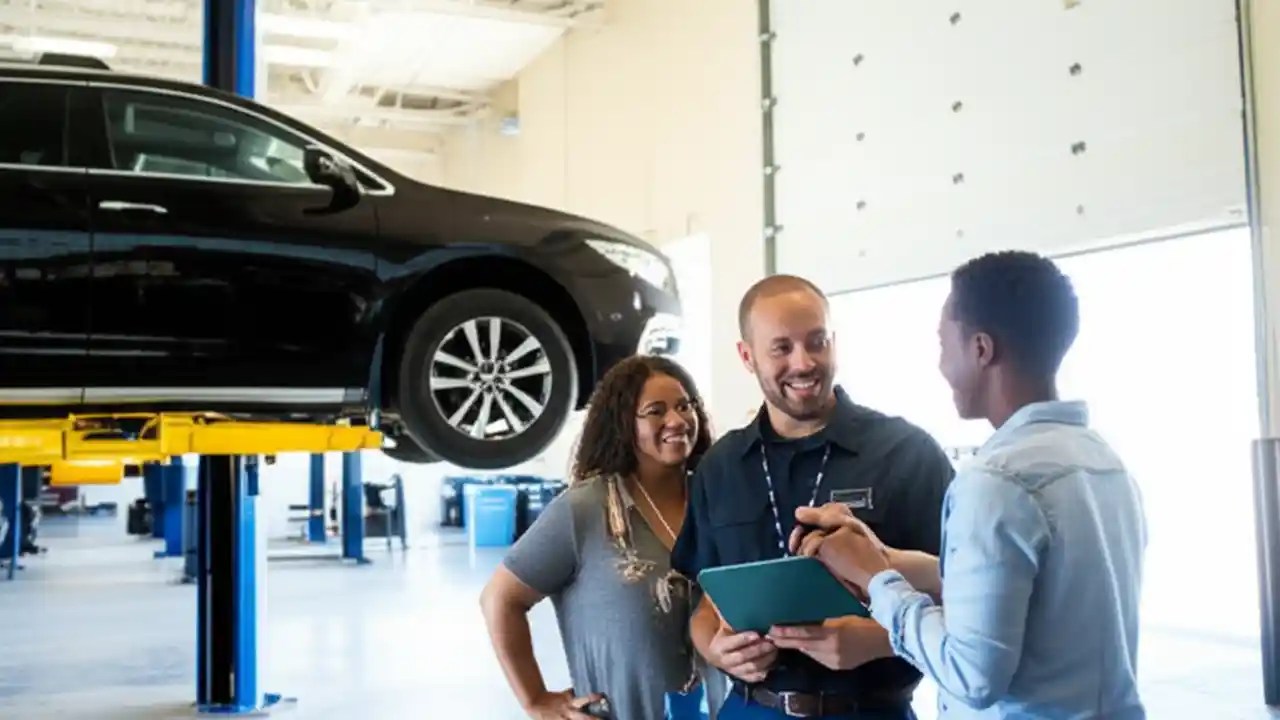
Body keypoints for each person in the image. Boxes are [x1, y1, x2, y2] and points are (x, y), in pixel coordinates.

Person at [791, 251, 1148, 719]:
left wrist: (877, 581)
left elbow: (971, 675)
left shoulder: (996, 483)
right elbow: (1021, 588)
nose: (941, 364)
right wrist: (879, 554)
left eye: (944, 344)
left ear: (981, 349)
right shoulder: (1104, 462)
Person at [671, 274, 955, 719]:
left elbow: (966, 595)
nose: (804, 363)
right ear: (747, 356)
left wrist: (879, 639)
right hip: (752, 708)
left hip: (871, 709)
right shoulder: (720, 467)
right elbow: (703, 603)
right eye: (781, 348)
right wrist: (715, 648)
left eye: (817, 342)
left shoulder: (907, 453)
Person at [480, 354, 714, 720]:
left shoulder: (715, 503)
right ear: (623, 423)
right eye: (656, 410)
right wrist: (536, 700)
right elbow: (500, 598)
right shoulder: (585, 509)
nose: (677, 420)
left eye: (685, 406)